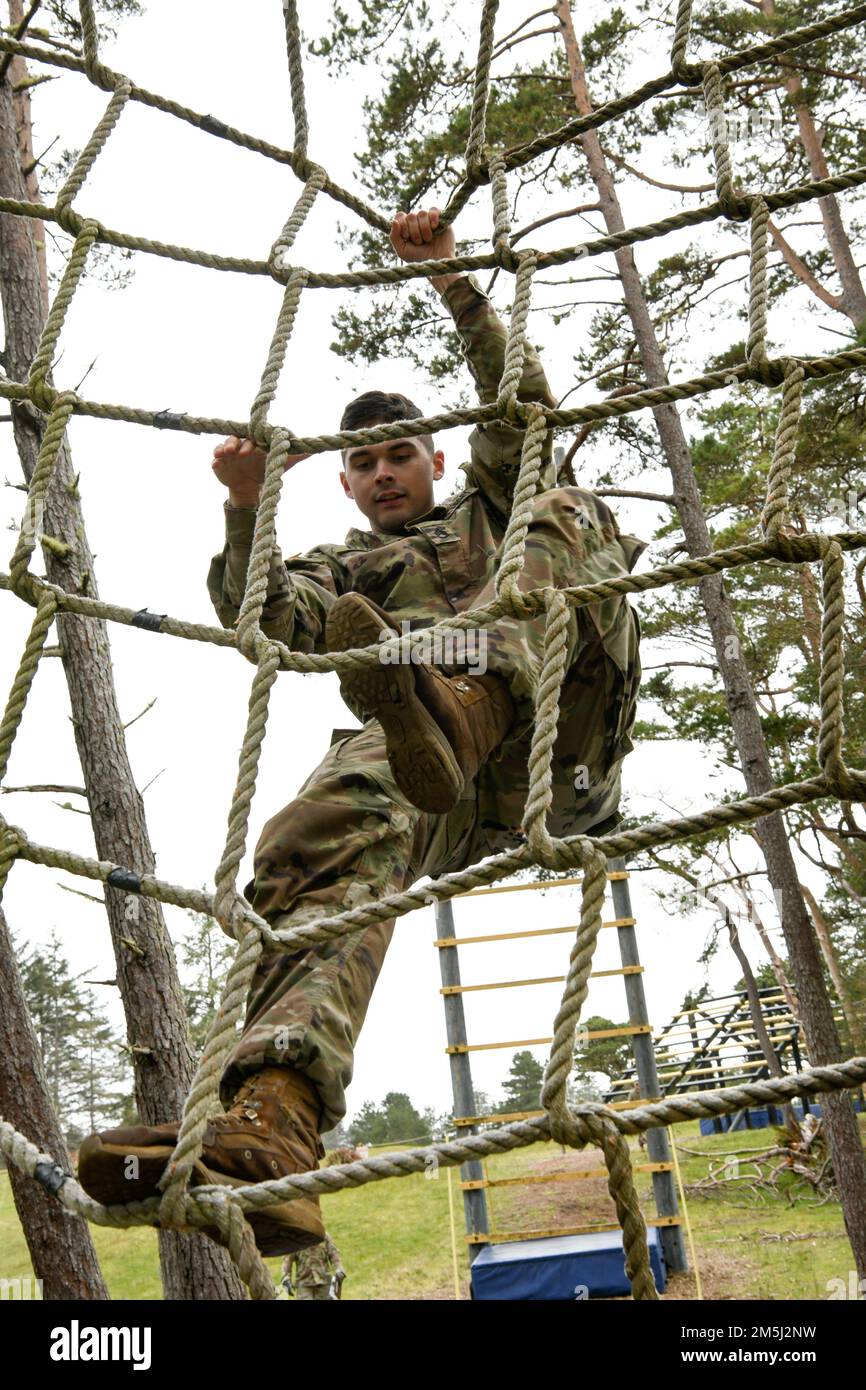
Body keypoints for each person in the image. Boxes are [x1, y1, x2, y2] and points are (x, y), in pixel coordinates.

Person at [77, 208, 644, 1256]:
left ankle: (465, 696)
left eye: (399, 455)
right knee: (312, 839)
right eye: (365, 463)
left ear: (432, 459)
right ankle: (268, 1121)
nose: (383, 473)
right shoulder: (351, 570)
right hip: (434, 757)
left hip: (556, 729)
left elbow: (522, 405)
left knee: (563, 506)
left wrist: (453, 284)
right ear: (343, 481)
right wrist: (248, 510)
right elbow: (269, 618)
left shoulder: (488, 509)